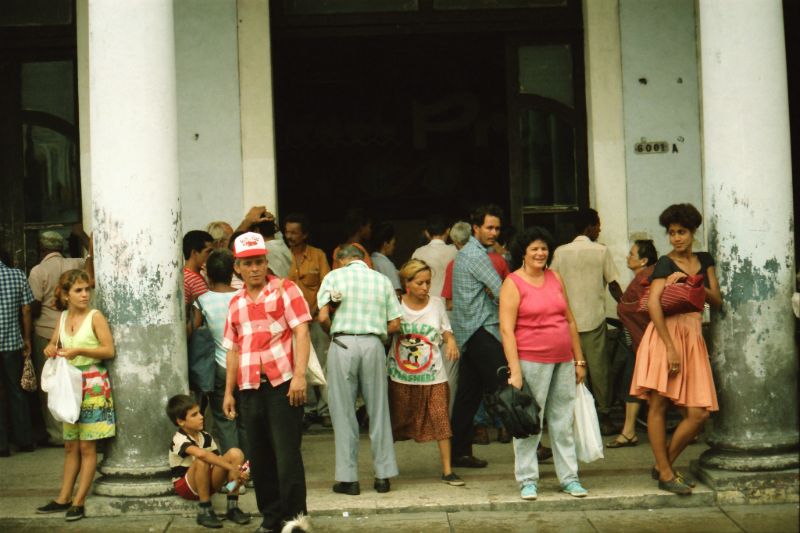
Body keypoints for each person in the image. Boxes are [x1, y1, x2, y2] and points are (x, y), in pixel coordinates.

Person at [222, 232, 311, 533]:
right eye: (247, 264)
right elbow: (233, 348)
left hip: (282, 383)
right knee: (259, 457)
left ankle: (295, 519)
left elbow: (301, 332)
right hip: (248, 386)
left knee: (287, 456)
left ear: (266, 262)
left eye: (258, 262)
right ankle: (271, 519)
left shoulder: (286, 290)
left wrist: (299, 376)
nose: (254, 269)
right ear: (238, 267)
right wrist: (228, 391)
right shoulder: (235, 302)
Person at [630, 203, 722, 495]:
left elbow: (717, 300)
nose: (676, 238)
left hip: (692, 337)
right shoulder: (664, 264)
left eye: (681, 232)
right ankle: (667, 473)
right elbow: (654, 303)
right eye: (671, 233)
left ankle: (664, 466)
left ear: (693, 232)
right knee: (657, 405)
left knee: (698, 414)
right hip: (664, 337)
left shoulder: (705, 260)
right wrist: (669, 347)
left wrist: (691, 283)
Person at [500, 226, 589, 501]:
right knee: (529, 423)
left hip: (563, 360)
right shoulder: (513, 283)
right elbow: (506, 330)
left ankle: (570, 478)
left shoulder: (556, 277)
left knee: (562, 422)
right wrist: (515, 371)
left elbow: (570, 320)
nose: (540, 253)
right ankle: (527, 480)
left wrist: (579, 359)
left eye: (543, 248)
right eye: (534, 249)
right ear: (523, 254)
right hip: (531, 361)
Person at [317, 244, 402, 495]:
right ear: (363, 259)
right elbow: (395, 323)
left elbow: (322, 317)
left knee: (343, 413)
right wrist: (375, 336)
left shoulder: (333, 277)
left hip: (342, 342)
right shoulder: (381, 280)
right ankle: (383, 476)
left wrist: (332, 331)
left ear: (340, 260)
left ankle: (349, 479)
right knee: (379, 410)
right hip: (373, 344)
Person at [35, 270, 115, 522]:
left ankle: (79, 501)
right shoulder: (62, 317)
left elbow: (108, 350)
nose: (84, 294)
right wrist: (50, 348)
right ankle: (63, 497)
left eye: (86, 289)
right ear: (66, 294)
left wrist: (79, 349)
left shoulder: (95, 316)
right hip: (69, 386)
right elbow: (54, 343)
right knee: (70, 445)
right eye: (78, 290)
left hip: (92, 385)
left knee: (87, 446)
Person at [388, 259, 464, 487]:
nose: (425, 288)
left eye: (428, 283)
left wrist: (451, 342)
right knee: (394, 422)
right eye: (420, 283)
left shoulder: (437, 304)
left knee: (441, 419)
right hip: (401, 376)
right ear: (407, 283)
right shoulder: (395, 304)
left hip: (434, 376)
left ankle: (448, 471)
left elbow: (446, 331)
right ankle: (384, 470)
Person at [550, 208, 622, 436]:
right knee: (599, 368)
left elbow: (552, 284)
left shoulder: (560, 252)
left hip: (566, 321)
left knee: (572, 369)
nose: (600, 229)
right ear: (589, 226)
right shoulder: (601, 251)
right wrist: (627, 307)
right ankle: (604, 415)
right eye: (598, 224)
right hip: (594, 319)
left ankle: (578, 417)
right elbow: (613, 284)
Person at [448, 205, 506, 469]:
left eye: (497, 228)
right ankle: (533, 443)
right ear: (476, 229)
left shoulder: (465, 253)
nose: (494, 232)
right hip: (482, 330)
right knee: (510, 388)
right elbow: (502, 290)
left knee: (467, 397)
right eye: (489, 227)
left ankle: (459, 452)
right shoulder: (477, 255)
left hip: (468, 333)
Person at [28, 229, 90, 446]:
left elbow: (33, 304)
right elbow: (93, 259)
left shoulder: (38, 270)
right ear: (61, 247)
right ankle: (79, 426)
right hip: (73, 330)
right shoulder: (76, 263)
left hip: (47, 333)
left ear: (41, 248)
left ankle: (56, 434)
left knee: (50, 383)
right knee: (75, 381)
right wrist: (84, 237)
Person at [192, 250, 249, 459]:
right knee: (246, 420)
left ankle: (234, 472)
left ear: (209, 275)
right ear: (233, 271)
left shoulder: (203, 300)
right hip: (246, 365)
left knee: (225, 420)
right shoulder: (244, 295)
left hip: (220, 366)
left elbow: (196, 329)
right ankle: (249, 470)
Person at [166, 394, 251, 529]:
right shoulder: (179, 439)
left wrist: (237, 478)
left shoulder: (205, 436)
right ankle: (205, 510)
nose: (201, 416)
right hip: (186, 486)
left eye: (200, 412)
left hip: (208, 484)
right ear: (181, 422)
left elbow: (218, 464)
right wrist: (232, 468)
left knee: (236, 453)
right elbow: (202, 455)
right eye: (194, 415)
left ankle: (232, 508)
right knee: (202, 460)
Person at [606, 239, 658, 448]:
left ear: (643, 260)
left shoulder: (647, 279)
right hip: (639, 342)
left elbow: (645, 309)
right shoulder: (643, 277)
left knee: (645, 386)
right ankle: (628, 431)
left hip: (645, 342)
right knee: (632, 383)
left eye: (632, 254)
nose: (628, 257)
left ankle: (692, 424)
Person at [284, 213, 332, 428]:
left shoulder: (318, 255)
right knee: (298, 363)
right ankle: (307, 409)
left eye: (294, 232)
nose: (289, 236)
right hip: (290, 323)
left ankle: (324, 410)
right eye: (287, 232)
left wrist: (312, 311)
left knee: (322, 364)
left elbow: (326, 285)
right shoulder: (282, 256)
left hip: (315, 319)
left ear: (305, 235)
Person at [0, 253, 35, 456]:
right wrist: (27, 338)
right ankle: (25, 441)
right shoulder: (17, 275)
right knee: (16, 391)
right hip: (12, 342)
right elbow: (27, 310)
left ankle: (2, 446)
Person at [411, 215, 457, 298]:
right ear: (448, 231)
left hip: (425, 302)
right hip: (449, 303)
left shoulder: (418, 253)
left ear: (427, 233)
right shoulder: (455, 252)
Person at [183, 230, 213, 309]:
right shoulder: (187, 279)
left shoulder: (201, 274)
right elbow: (183, 312)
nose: (211, 256)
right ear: (194, 253)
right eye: (208, 252)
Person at [370, 222, 402, 295]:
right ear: (385, 243)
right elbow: (396, 292)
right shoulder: (386, 264)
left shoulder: (370, 260)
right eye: (393, 243)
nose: (394, 247)